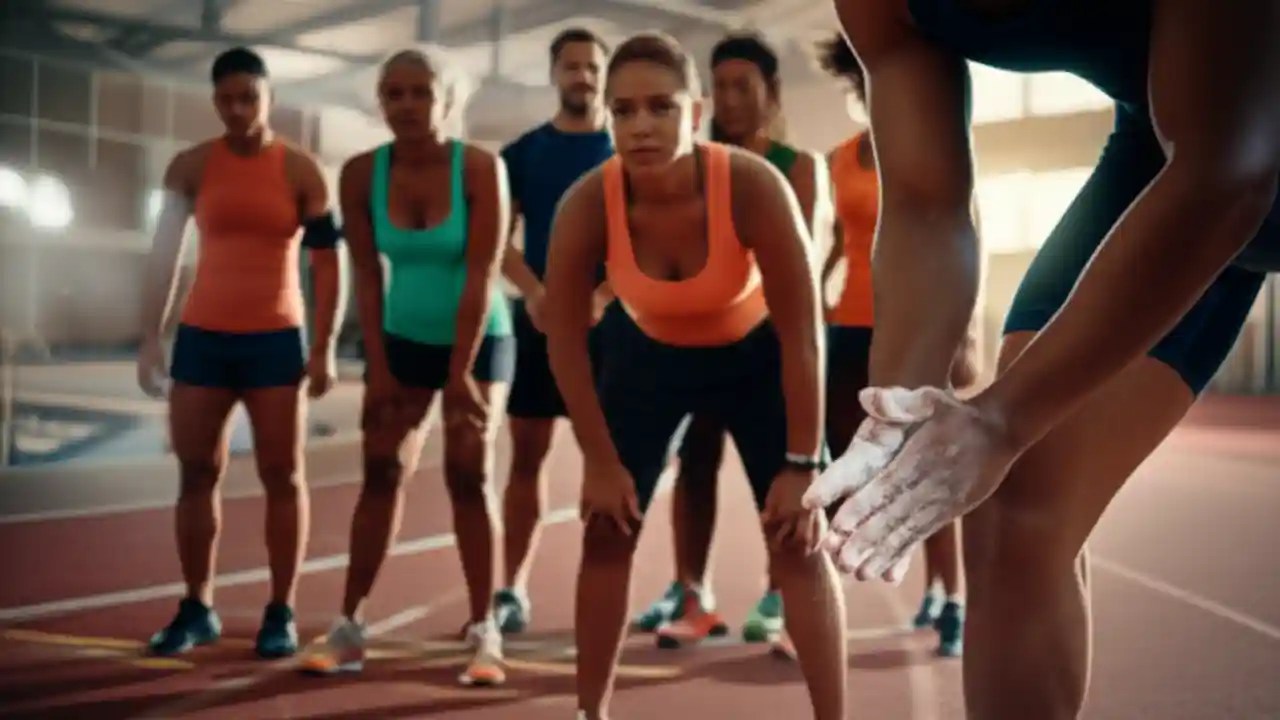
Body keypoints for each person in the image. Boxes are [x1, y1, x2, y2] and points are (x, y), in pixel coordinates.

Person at [808, 1, 1280, 717]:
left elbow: (1230, 173)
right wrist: (898, 408)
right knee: (1013, 508)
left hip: (1228, 146)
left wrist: (999, 420)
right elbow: (927, 202)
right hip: (1171, 141)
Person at [544, 32, 846, 720]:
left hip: (758, 355)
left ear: (697, 109)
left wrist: (803, 461)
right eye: (623, 111)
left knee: (799, 539)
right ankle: (590, 712)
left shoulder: (751, 183)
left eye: (660, 107)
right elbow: (563, 338)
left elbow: (803, 333)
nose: (641, 125)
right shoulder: (587, 203)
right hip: (648, 358)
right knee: (607, 528)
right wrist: (596, 459)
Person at [299, 47, 514, 687]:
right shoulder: (363, 174)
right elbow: (366, 273)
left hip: (478, 341)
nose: (408, 105)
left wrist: (459, 373)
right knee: (382, 470)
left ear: (446, 100)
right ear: (381, 103)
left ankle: (485, 630)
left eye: (421, 93)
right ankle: (349, 625)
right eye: (395, 94)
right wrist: (378, 366)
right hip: (401, 339)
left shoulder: (479, 168)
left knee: (467, 474)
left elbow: (482, 272)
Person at [136, 47, 344, 659]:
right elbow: (164, 254)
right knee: (197, 472)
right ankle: (197, 605)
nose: (237, 110)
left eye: (248, 98)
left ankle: (280, 610)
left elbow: (330, 266)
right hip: (204, 339)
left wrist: (325, 344)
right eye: (226, 99)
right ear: (214, 101)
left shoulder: (303, 171)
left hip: (276, 341)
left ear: (269, 97)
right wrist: (151, 334)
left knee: (283, 474)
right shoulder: (191, 167)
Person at [634, 32, 822, 658]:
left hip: (768, 341)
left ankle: (782, 597)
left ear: (771, 94)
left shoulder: (798, 167)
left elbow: (796, 269)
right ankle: (694, 595)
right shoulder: (694, 162)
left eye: (745, 86)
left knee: (777, 477)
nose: (731, 98)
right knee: (696, 461)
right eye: (721, 86)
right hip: (698, 335)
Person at [814, 30, 975, 658]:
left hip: (919, 327)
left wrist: (963, 333)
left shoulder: (936, 147)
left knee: (925, 463)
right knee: (852, 467)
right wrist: (818, 301)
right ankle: (882, 581)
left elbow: (963, 233)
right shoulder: (838, 159)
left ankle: (950, 596)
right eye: (861, 81)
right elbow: (835, 246)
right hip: (850, 329)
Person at [494, 28, 616, 635]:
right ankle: (511, 587)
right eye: (571, 66)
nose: (582, 76)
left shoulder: (628, 149)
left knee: (614, 464)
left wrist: (602, 296)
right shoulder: (521, 155)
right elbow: (495, 238)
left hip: (612, 331)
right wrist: (537, 293)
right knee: (526, 460)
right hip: (540, 324)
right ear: (554, 74)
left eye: (592, 67)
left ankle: (602, 588)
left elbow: (648, 237)